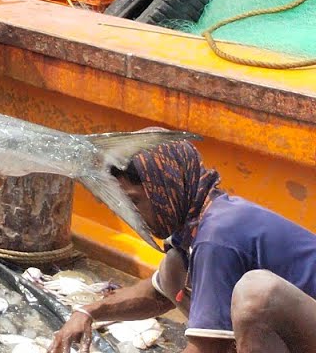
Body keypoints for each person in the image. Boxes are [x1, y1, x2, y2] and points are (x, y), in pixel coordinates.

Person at [49, 140, 316, 353]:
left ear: (166, 188)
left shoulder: (217, 234)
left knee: (256, 294)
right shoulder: (193, 225)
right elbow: (155, 294)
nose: (131, 215)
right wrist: (87, 312)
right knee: (173, 267)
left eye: (135, 201)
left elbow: (207, 348)